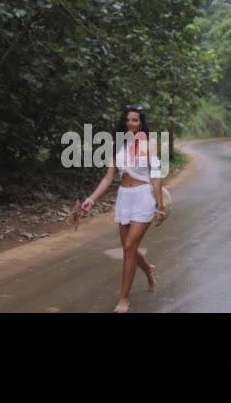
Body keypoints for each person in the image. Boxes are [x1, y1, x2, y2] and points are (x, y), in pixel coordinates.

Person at [80, 105, 165, 313]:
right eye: (128, 120)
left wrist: (160, 205)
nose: (131, 123)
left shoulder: (150, 144)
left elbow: (155, 175)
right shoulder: (118, 145)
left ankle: (124, 299)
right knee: (130, 249)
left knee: (128, 248)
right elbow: (109, 177)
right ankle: (148, 270)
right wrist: (91, 198)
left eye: (135, 120)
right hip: (124, 198)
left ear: (141, 122)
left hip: (144, 196)